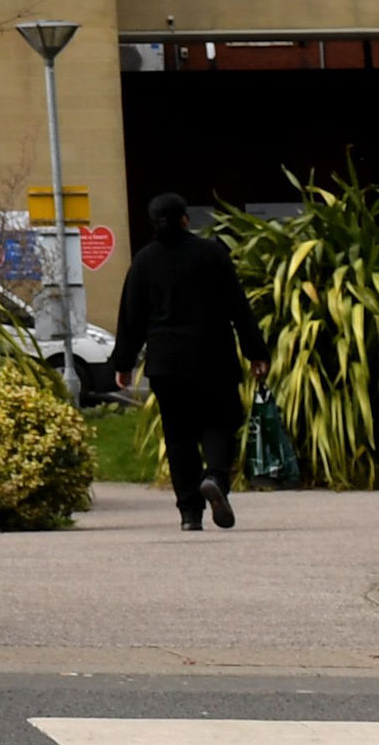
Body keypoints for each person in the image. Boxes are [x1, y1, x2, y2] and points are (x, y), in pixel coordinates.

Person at [108, 191, 267, 531]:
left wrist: (123, 363)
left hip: (166, 364)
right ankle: (215, 479)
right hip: (214, 357)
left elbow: (132, 316)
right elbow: (238, 306)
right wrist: (256, 352)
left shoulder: (144, 261)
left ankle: (189, 514)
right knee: (220, 423)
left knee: (178, 436)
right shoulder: (213, 254)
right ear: (185, 219)